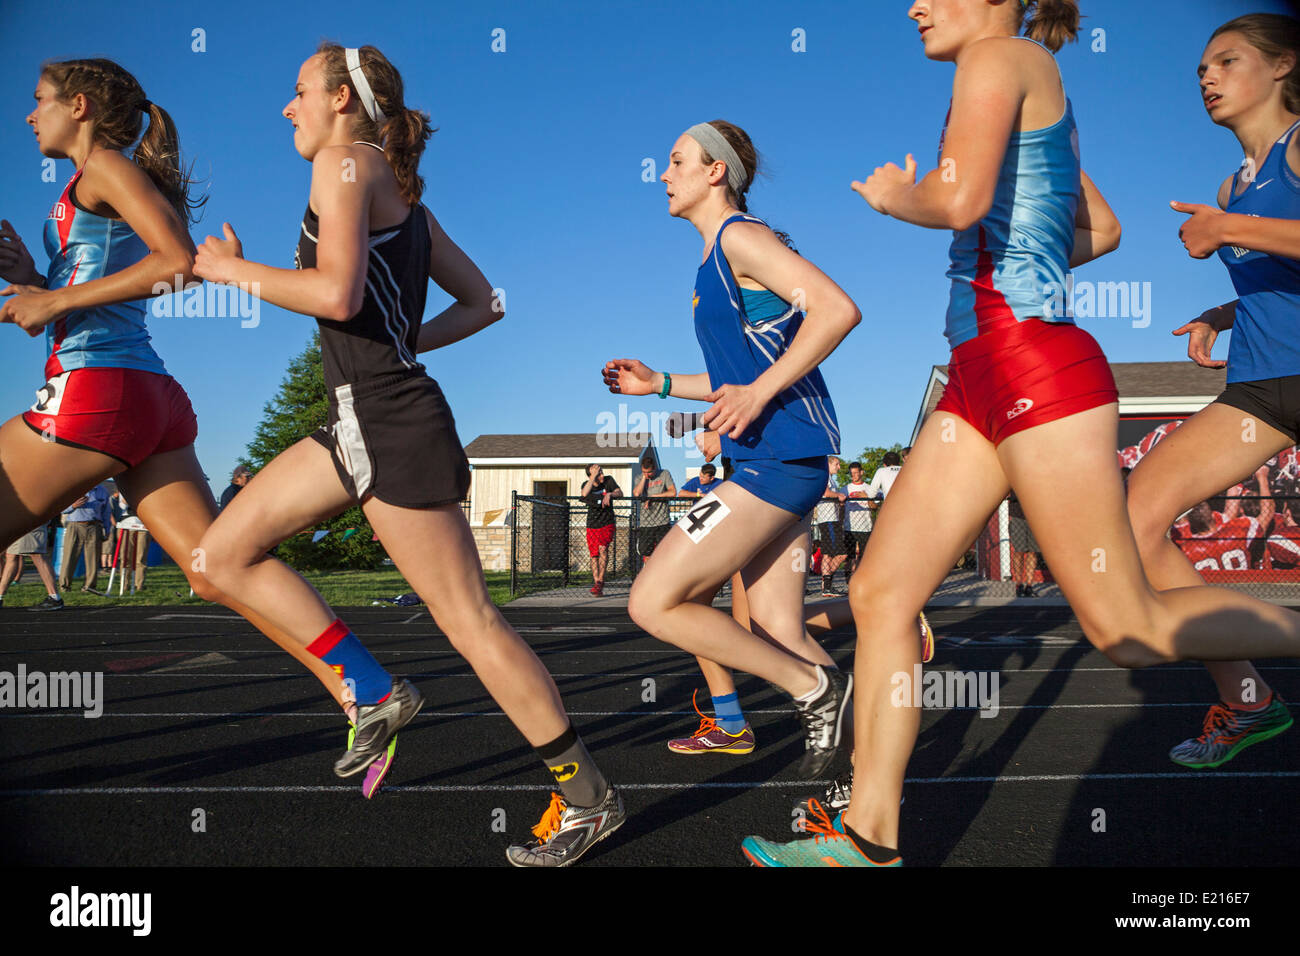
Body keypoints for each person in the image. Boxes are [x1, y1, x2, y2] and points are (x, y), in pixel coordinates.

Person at [742, 0, 1300, 867]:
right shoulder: (1027, 79)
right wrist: (1022, 247)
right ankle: (870, 837)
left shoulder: (998, 57)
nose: (916, 6)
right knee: (880, 595)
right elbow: (1102, 230)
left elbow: (956, 195)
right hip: (976, 372)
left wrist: (900, 198)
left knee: (1124, 629)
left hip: (1035, 364)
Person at [192, 43, 623, 864]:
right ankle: (373, 691)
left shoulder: (344, 163)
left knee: (470, 621)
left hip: (386, 420)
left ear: (345, 101)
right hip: (364, 417)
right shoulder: (401, 196)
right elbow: (485, 302)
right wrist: (401, 341)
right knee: (217, 558)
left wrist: (230, 270)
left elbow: (336, 294)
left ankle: (588, 798)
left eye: (297, 91)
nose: (288, 108)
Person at [0, 57, 366, 784]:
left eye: (38, 101)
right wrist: (35, 280)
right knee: (212, 569)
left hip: (95, 393)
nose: (28, 114)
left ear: (78, 105)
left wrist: (53, 303)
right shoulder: (95, 181)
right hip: (146, 399)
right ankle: (365, 689)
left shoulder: (103, 167)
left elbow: (177, 264)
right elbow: (118, 281)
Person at [605, 118, 861, 780]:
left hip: (779, 459)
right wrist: (659, 384)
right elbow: (733, 381)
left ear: (714, 171)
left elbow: (836, 308)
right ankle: (856, 787)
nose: (663, 173)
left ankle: (811, 689)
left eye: (676, 160)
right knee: (781, 626)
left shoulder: (743, 239)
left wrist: (756, 396)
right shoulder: (712, 259)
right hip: (771, 459)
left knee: (653, 601)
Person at [1123, 12, 1300, 770]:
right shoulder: (1234, 183)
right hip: (1261, 386)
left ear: (1284, 66)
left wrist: (1233, 228)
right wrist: (1220, 313)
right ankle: (1250, 701)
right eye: (1200, 69)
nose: (1207, 77)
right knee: (1132, 517)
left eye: (1225, 62)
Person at [579, 463, 621, 596]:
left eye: (602, 472)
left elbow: (620, 492)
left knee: (603, 548)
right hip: (592, 524)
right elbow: (584, 494)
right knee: (594, 554)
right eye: (599, 473)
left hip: (607, 522)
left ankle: (601, 580)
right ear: (592, 476)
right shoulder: (587, 484)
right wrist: (593, 477)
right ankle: (596, 582)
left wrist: (610, 494)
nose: (602, 475)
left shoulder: (609, 480)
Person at [58, 481, 108, 591]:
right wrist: (73, 506)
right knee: (69, 557)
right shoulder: (73, 488)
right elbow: (61, 509)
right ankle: (64, 586)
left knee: (93, 559)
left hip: (94, 526)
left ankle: (89, 586)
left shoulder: (102, 490)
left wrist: (107, 529)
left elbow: (106, 512)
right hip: (75, 526)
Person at [1, 523, 63, 610]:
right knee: (11, 555)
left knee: (37, 554)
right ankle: (0, 596)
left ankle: (54, 598)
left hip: (30, 520)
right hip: (18, 522)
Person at [812, 455, 847, 596]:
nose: (839, 467)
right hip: (827, 519)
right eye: (836, 464)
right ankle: (826, 584)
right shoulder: (825, 476)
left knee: (829, 553)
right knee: (839, 554)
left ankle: (826, 585)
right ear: (829, 464)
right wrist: (838, 495)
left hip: (832, 519)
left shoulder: (832, 479)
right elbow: (825, 492)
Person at [632, 454, 676, 562]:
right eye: (644, 472)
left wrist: (653, 497)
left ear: (655, 468)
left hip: (662, 521)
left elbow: (673, 492)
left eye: (649, 472)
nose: (647, 474)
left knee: (665, 552)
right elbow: (637, 493)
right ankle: (649, 576)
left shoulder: (664, 474)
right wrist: (644, 478)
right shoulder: (639, 478)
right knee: (647, 553)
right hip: (646, 523)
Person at [842, 461, 873, 575]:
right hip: (849, 526)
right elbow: (841, 508)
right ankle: (848, 579)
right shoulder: (845, 489)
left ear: (861, 472)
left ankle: (862, 576)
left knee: (865, 556)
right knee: (849, 556)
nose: (853, 476)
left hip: (865, 526)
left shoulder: (869, 488)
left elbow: (874, 507)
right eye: (851, 473)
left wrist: (867, 498)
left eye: (856, 473)